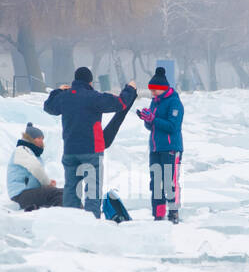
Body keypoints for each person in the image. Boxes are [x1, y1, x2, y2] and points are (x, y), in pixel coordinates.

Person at [42, 66, 137, 217]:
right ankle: (91, 222)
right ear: (90, 82)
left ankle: (70, 221)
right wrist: (130, 89)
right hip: (91, 150)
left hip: (70, 151)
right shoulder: (94, 97)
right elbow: (120, 103)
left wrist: (58, 90)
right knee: (92, 189)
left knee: (71, 189)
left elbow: (48, 107)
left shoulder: (65, 97)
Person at [138, 66, 184, 222]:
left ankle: (173, 212)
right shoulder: (155, 102)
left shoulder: (175, 103)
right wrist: (147, 120)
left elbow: (173, 126)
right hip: (156, 148)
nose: (152, 93)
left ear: (162, 89)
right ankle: (158, 213)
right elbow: (152, 126)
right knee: (156, 182)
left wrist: (153, 119)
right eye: (151, 90)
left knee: (170, 181)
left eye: (154, 90)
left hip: (171, 148)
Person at [6, 122, 63, 211]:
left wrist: (47, 185)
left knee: (63, 194)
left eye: (42, 138)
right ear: (30, 139)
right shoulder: (21, 150)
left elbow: (34, 175)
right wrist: (47, 184)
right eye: (38, 138)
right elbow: (36, 168)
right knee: (59, 194)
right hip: (20, 194)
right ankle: (68, 216)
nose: (41, 141)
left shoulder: (32, 153)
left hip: (27, 193)